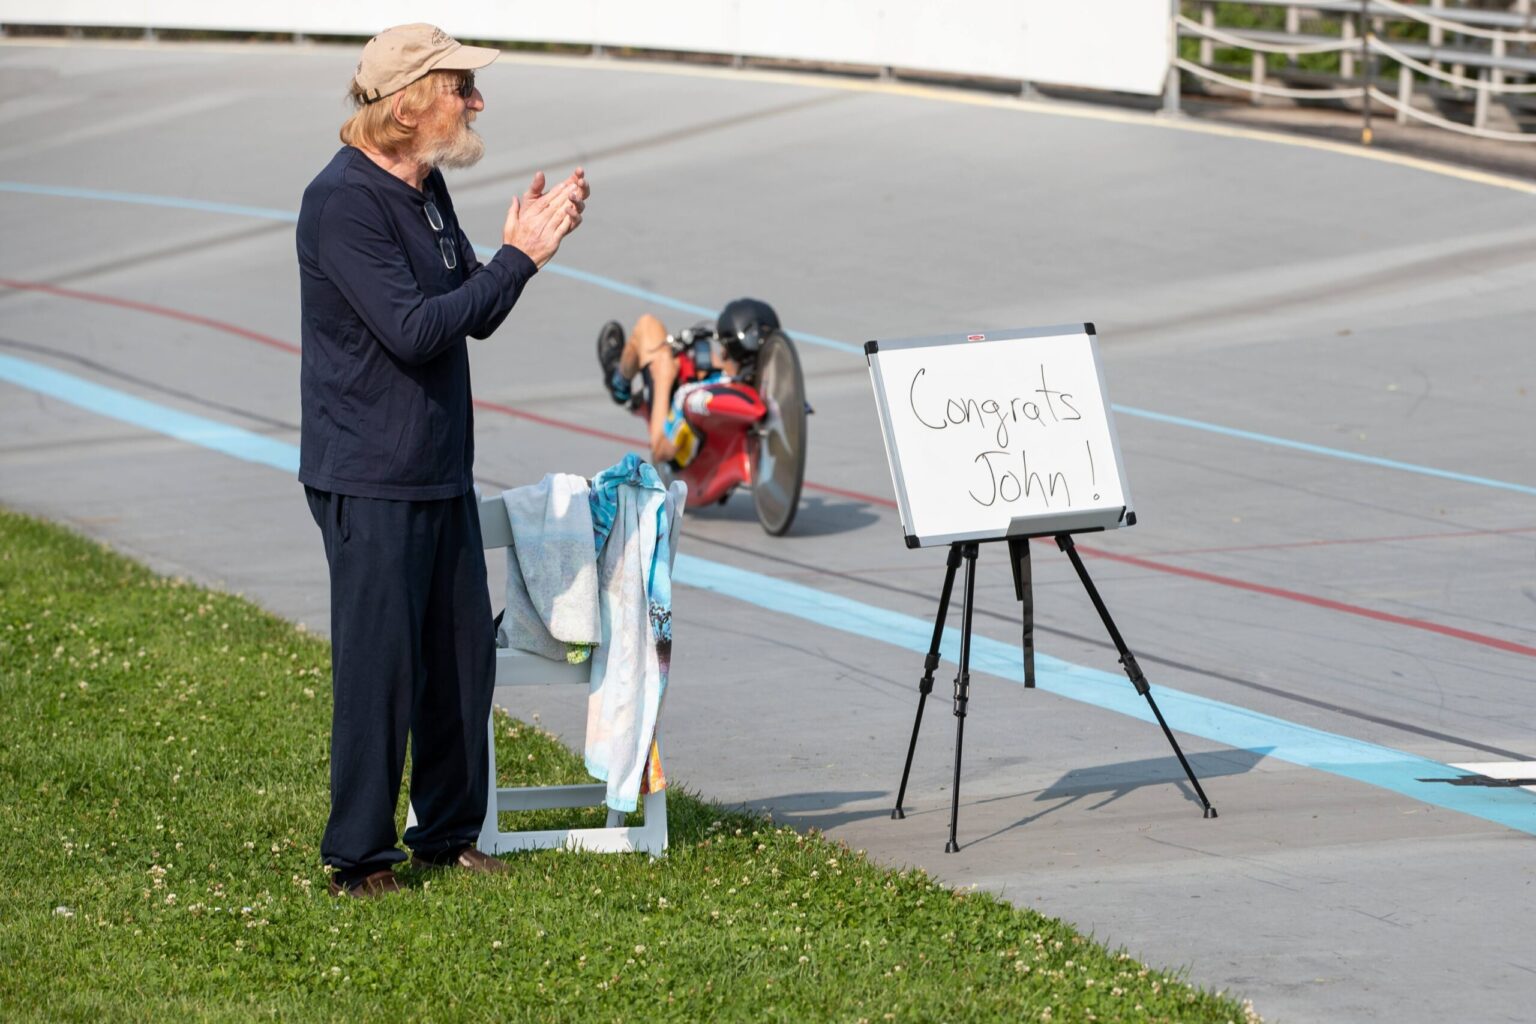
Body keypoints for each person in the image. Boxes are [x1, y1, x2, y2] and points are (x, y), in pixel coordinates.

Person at [295, 23, 588, 898]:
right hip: (368, 473)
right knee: (381, 666)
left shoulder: (423, 190)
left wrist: (519, 256)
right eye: (462, 85)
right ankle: (358, 857)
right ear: (413, 97)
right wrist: (515, 258)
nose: (476, 101)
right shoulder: (342, 201)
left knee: (461, 660)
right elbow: (418, 329)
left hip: (435, 466)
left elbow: (474, 308)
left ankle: (448, 833)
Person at [597, 298, 779, 465]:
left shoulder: (694, 395)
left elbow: (659, 451)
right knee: (697, 361)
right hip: (717, 410)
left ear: (725, 350)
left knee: (648, 326)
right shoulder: (772, 389)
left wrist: (663, 378)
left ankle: (619, 383)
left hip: (682, 432)